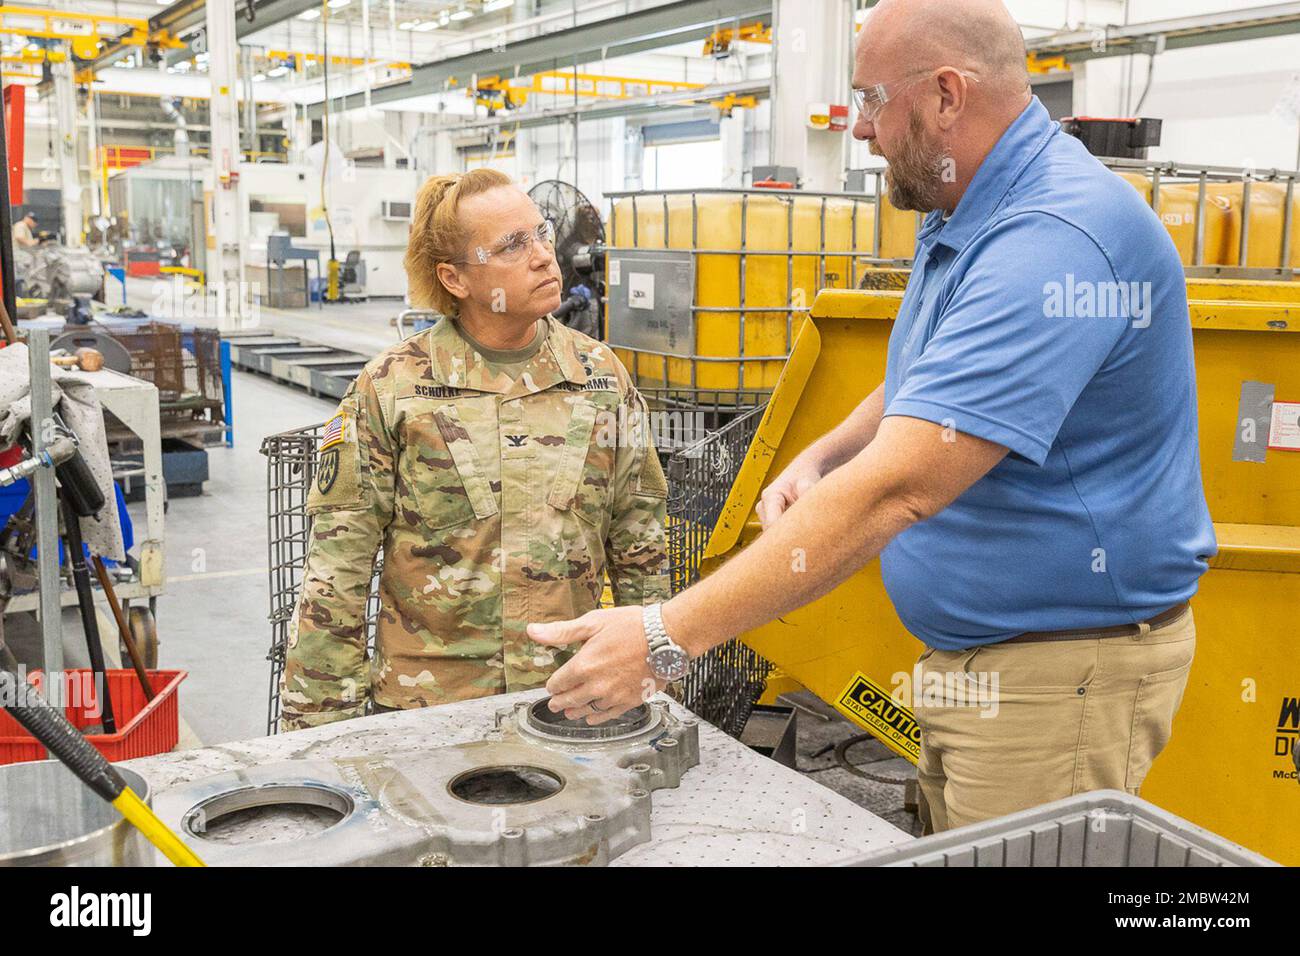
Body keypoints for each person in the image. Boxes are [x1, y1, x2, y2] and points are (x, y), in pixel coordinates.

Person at [525, 0, 1216, 834]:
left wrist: (665, 637)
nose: (857, 130)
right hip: (984, 658)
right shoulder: (965, 207)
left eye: (871, 99)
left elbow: (902, 489)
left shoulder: (1055, 238)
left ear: (947, 96)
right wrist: (823, 454)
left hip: (1056, 677)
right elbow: (931, 378)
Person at [279, 168, 669, 730]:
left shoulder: (600, 378)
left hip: (570, 698)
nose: (543, 256)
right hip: (430, 710)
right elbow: (338, 570)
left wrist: (652, 684)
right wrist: (321, 728)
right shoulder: (392, 388)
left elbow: (641, 543)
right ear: (454, 279)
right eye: (513, 245)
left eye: (541, 232)